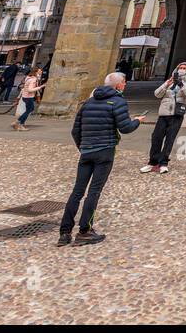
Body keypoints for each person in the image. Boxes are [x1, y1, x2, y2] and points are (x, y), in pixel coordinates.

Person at [58, 72, 143, 247]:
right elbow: (125, 128)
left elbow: (75, 130)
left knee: (77, 192)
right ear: (118, 85)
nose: (125, 85)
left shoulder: (88, 102)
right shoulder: (118, 102)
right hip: (104, 152)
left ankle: (64, 233)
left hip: (86, 152)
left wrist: (83, 147)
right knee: (94, 192)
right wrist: (137, 121)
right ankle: (84, 231)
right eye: (124, 83)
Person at [143, 61, 186, 174]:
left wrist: (181, 85)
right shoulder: (169, 81)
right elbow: (157, 94)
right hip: (164, 113)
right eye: (180, 67)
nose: (182, 69)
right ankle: (152, 162)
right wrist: (166, 84)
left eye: (184, 68)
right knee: (156, 137)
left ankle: (163, 163)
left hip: (176, 114)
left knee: (169, 139)